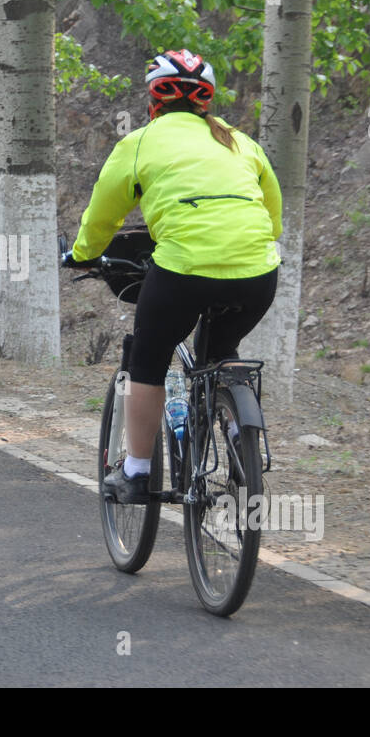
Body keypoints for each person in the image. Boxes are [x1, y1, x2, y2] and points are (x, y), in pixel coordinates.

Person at [64, 50, 282, 503]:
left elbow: (102, 216)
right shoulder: (240, 141)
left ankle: (137, 472)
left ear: (153, 101)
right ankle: (237, 430)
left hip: (184, 271)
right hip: (257, 275)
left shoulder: (139, 143)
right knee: (221, 351)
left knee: (149, 356)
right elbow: (273, 218)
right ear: (207, 102)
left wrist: (82, 254)